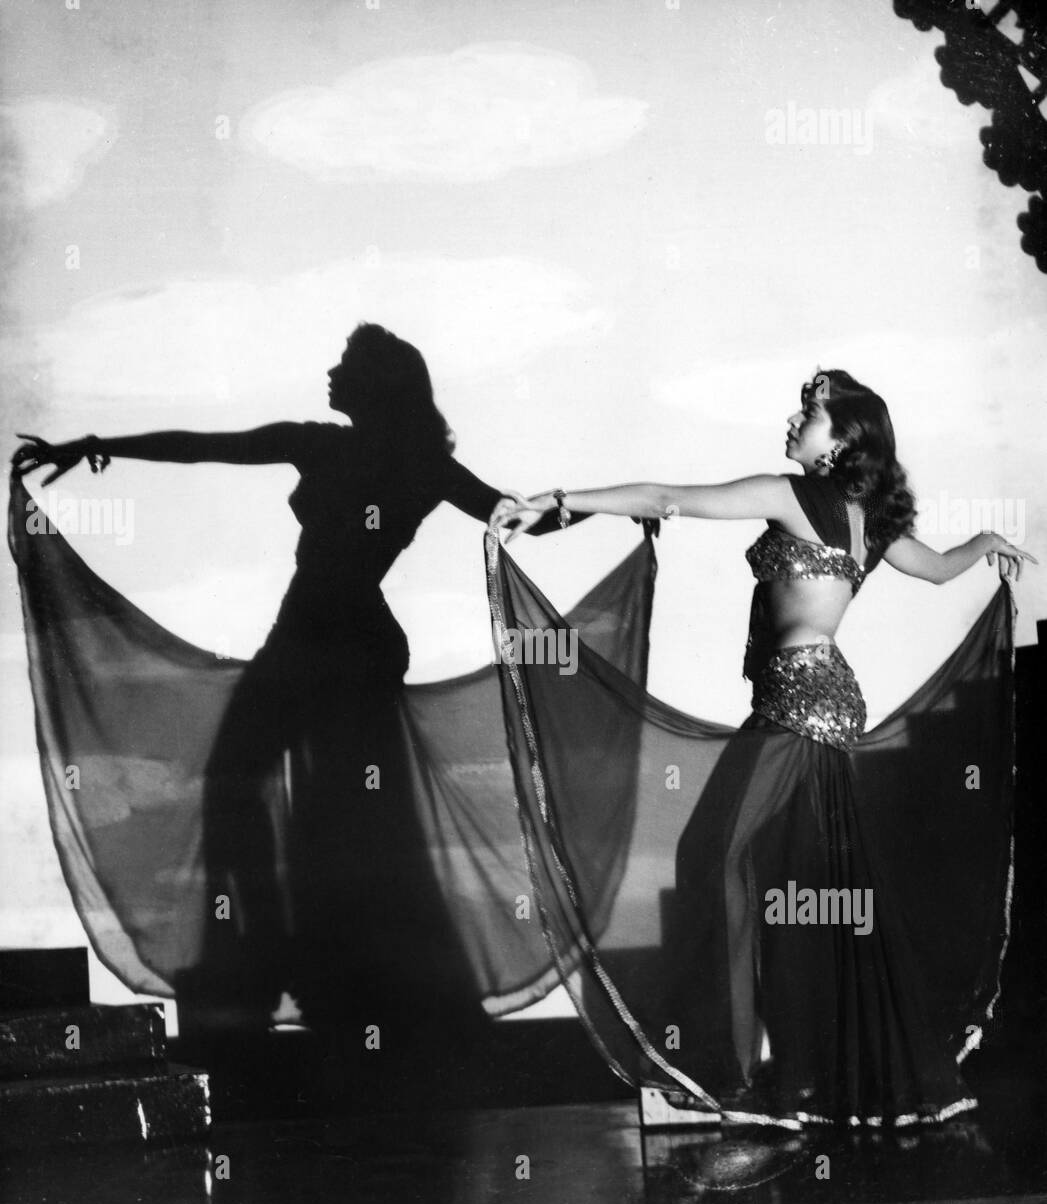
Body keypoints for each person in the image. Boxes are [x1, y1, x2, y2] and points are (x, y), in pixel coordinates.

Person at [10, 322, 587, 1100]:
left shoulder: (376, 456)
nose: (329, 371)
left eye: (344, 364)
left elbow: (517, 515)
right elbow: (205, 444)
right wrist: (96, 442)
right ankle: (290, 956)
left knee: (321, 803)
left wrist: (609, 509)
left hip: (338, 641)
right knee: (288, 793)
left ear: (376, 382)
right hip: (324, 637)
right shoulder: (379, 455)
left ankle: (303, 961)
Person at [490, 369, 1035, 1127]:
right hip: (811, 701)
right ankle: (807, 1074)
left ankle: (740, 1072)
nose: (793, 420)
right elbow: (939, 569)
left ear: (842, 437)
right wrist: (988, 544)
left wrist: (559, 500)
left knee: (714, 857)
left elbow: (664, 497)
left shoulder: (792, 494)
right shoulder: (867, 519)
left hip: (800, 704)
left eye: (808, 413)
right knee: (795, 884)